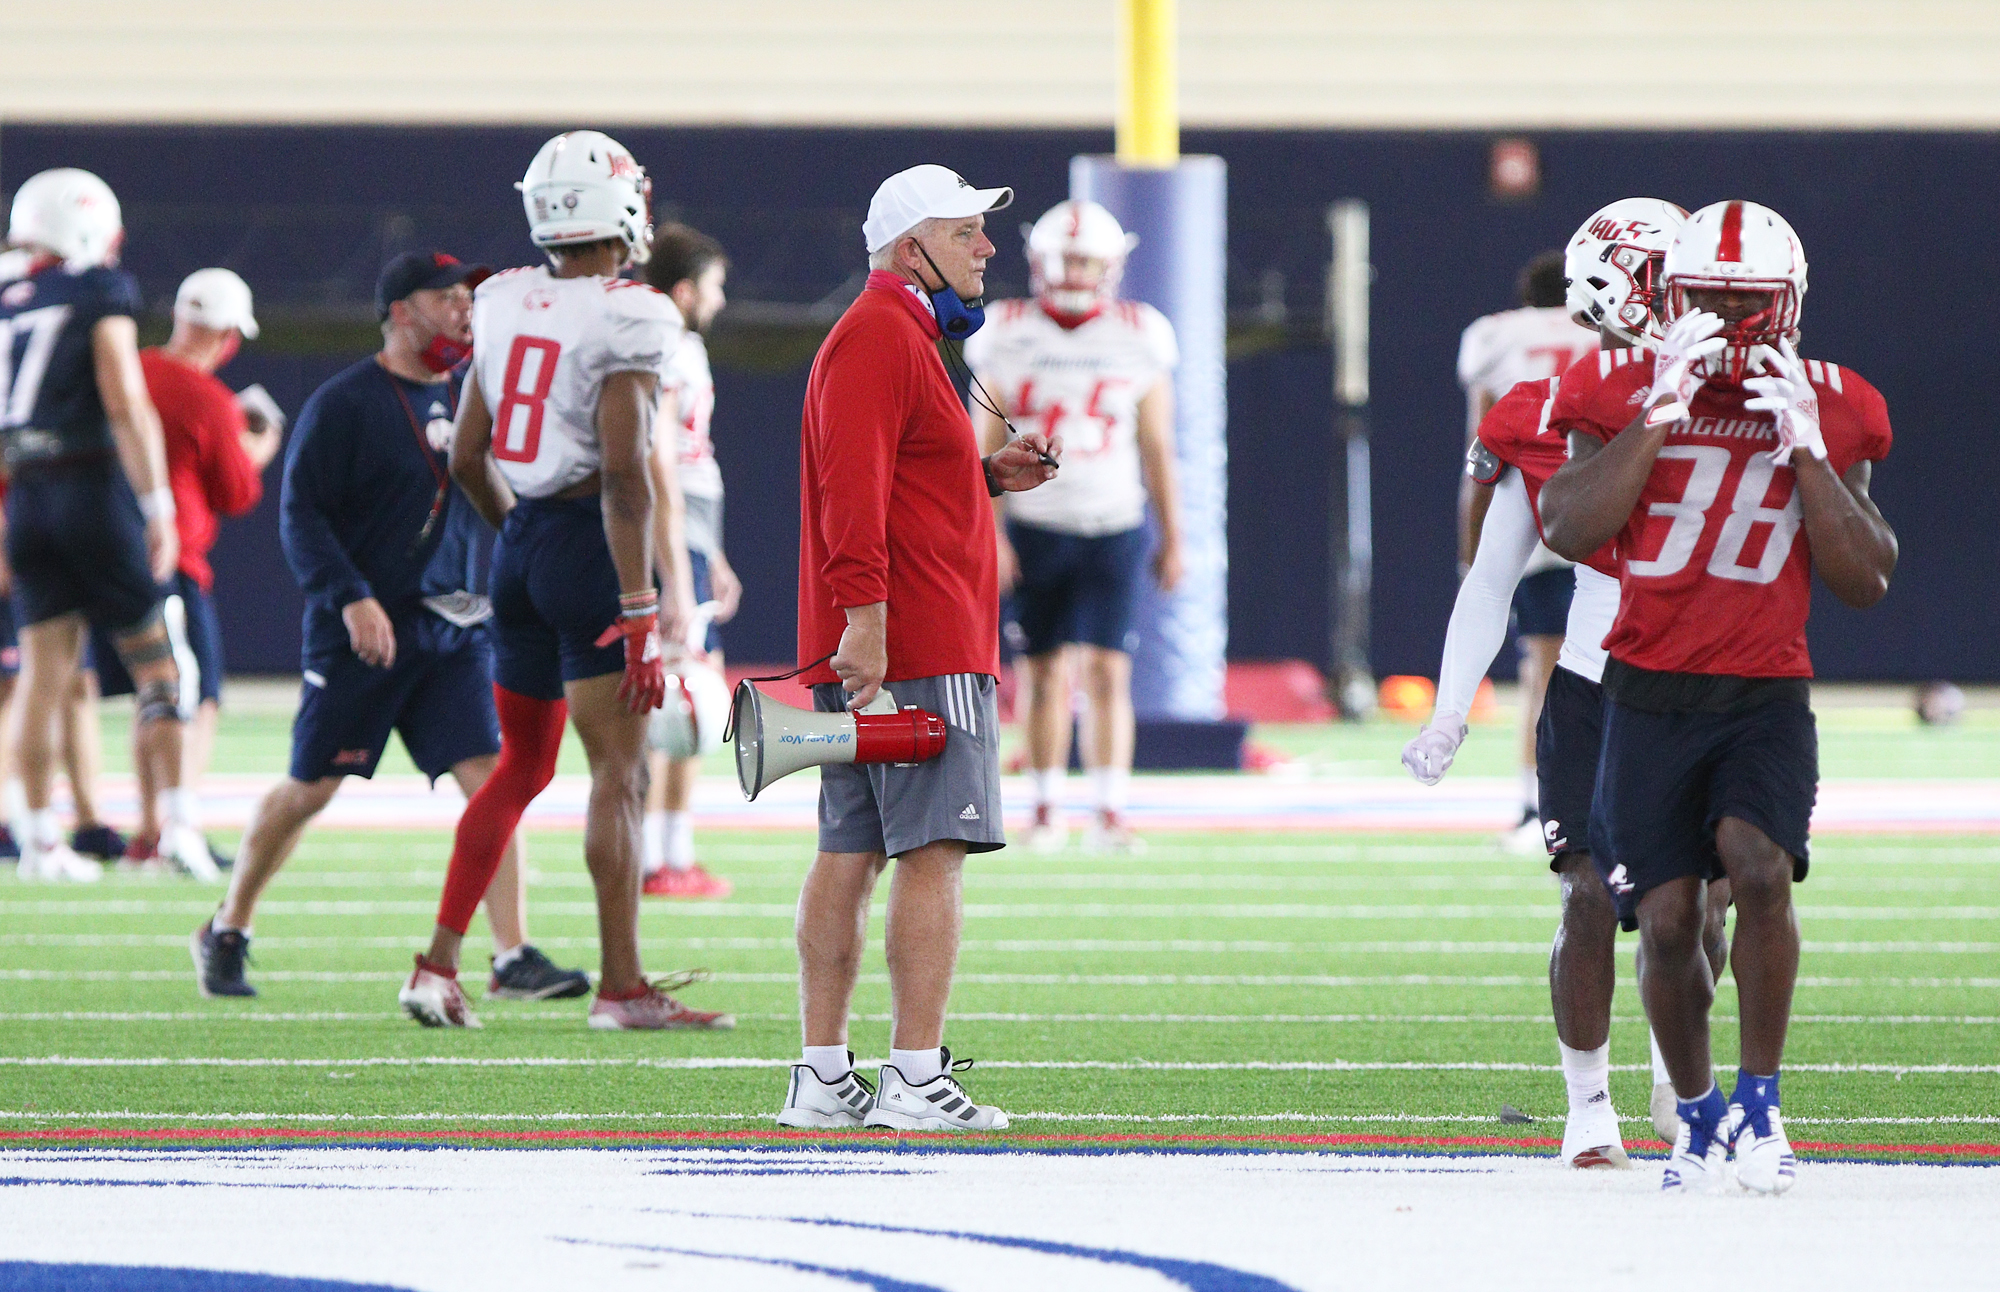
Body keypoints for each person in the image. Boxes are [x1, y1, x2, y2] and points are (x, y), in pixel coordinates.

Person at [1539, 200, 1898, 1194]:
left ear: (1788, 307)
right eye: (1713, 302)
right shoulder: (1613, 383)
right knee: (1661, 921)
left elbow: (1864, 575)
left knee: (1757, 869)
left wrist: (1807, 452)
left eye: (1752, 306)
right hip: (1646, 686)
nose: (1735, 327)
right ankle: (1694, 1114)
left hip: (1763, 685)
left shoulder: (1830, 399)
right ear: (1670, 296)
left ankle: (1761, 1103)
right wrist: (1658, 411)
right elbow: (1567, 525)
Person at [1404, 199, 1733, 1165]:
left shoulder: (1744, 395)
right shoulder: (1546, 407)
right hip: (1595, 679)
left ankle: (1679, 1084)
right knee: (1589, 894)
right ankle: (1588, 1104)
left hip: (1704, 680)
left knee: (1704, 906)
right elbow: (1491, 578)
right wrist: (1449, 712)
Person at [192, 250, 588, 1005]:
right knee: (313, 787)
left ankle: (511, 956)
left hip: (451, 633)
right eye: (447, 298)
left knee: (492, 778)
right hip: (363, 636)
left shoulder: (472, 393)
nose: (465, 312)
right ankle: (227, 928)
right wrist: (350, 596)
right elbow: (299, 515)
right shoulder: (345, 403)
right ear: (401, 310)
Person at [407, 130, 730, 1032]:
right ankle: (622, 989)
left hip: (523, 545)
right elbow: (628, 474)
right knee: (617, 777)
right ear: (620, 207)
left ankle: (437, 965)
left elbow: (469, 456)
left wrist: (525, 542)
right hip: (593, 549)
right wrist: (637, 606)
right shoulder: (633, 312)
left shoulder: (502, 297)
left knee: (519, 768)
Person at [777, 164, 1058, 1131]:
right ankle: (913, 1076)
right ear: (912, 248)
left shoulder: (895, 334)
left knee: (850, 848)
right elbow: (848, 488)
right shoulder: (881, 335)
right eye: (968, 230)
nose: (988, 246)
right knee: (933, 852)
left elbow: (893, 482)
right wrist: (867, 619)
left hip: (889, 632)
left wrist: (981, 477)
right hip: (916, 640)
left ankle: (823, 1079)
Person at [0, 168, 209, 882]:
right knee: (162, 665)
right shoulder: (97, 290)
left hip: (24, 496)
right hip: (89, 490)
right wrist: (157, 507)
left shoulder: (7, 299)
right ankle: (177, 826)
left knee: (41, 675)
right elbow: (124, 399)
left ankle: (37, 839)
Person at [964, 199, 1181, 853]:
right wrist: (991, 534)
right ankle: (1044, 807)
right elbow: (984, 443)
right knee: (1044, 670)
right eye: (1067, 257)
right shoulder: (1003, 329)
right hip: (1036, 521)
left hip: (1113, 518)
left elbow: (1156, 444)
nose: (1075, 270)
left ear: (1112, 265)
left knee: (1111, 671)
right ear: (1038, 260)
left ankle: (1111, 810)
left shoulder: (1141, 332)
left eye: (1087, 258)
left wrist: (1176, 534)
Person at [93, 267, 282, 867]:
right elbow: (235, 493)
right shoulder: (207, 398)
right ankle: (177, 826)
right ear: (226, 333)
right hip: (171, 556)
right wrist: (258, 448)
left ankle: (149, 829)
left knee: (152, 694)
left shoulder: (133, 368)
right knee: (191, 697)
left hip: (106, 549)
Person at [1456, 252, 1597, 852]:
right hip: (1605, 505)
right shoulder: (1613, 336)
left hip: (1535, 509)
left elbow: (1483, 447)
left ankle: (1534, 804)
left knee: (1544, 668)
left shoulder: (1496, 336)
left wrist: (1473, 547)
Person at [639, 222, 738, 899]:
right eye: (714, 286)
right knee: (671, 699)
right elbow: (660, 467)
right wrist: (676, 571)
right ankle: (654, 857)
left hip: (691, 535)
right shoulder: (664, 350)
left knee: (693, 696)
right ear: (682, 291)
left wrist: (711, 553)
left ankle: (672, 852)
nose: (721, 300)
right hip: (669, 537)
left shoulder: (683, 347)